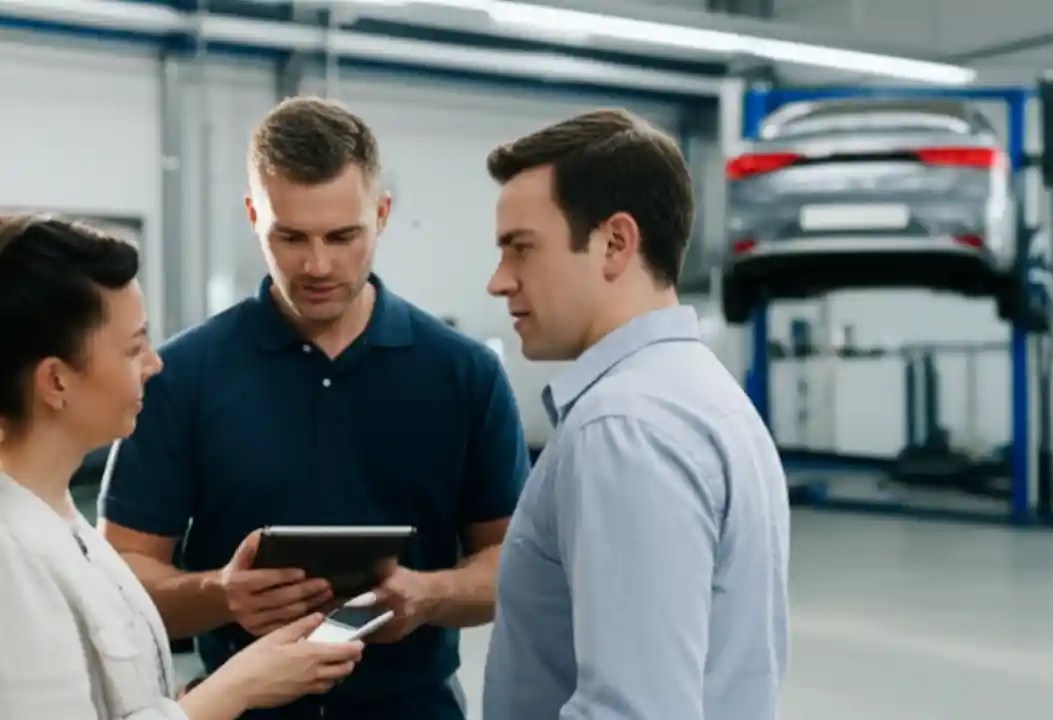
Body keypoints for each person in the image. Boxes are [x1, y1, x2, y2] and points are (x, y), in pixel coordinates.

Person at [97, 96, 530, 720]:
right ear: (254, 215)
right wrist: (222, 594)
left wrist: (428, 595)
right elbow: (121, 576)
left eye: (343, 236)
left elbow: (512, 561)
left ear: (382, 214)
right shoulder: (180, 376)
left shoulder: (465, 375)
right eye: (291, 236)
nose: (318, 265)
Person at [481, 108, 791, 720]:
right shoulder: (705, 395)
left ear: (615, 244)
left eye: (521, 249)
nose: (499, 281)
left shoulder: (623, 427)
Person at [0, 214, 365, 719]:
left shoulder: (59, 520)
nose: (154, 364)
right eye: (133, 349)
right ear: (56, 381)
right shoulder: (11, 554)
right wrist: (235, 688)